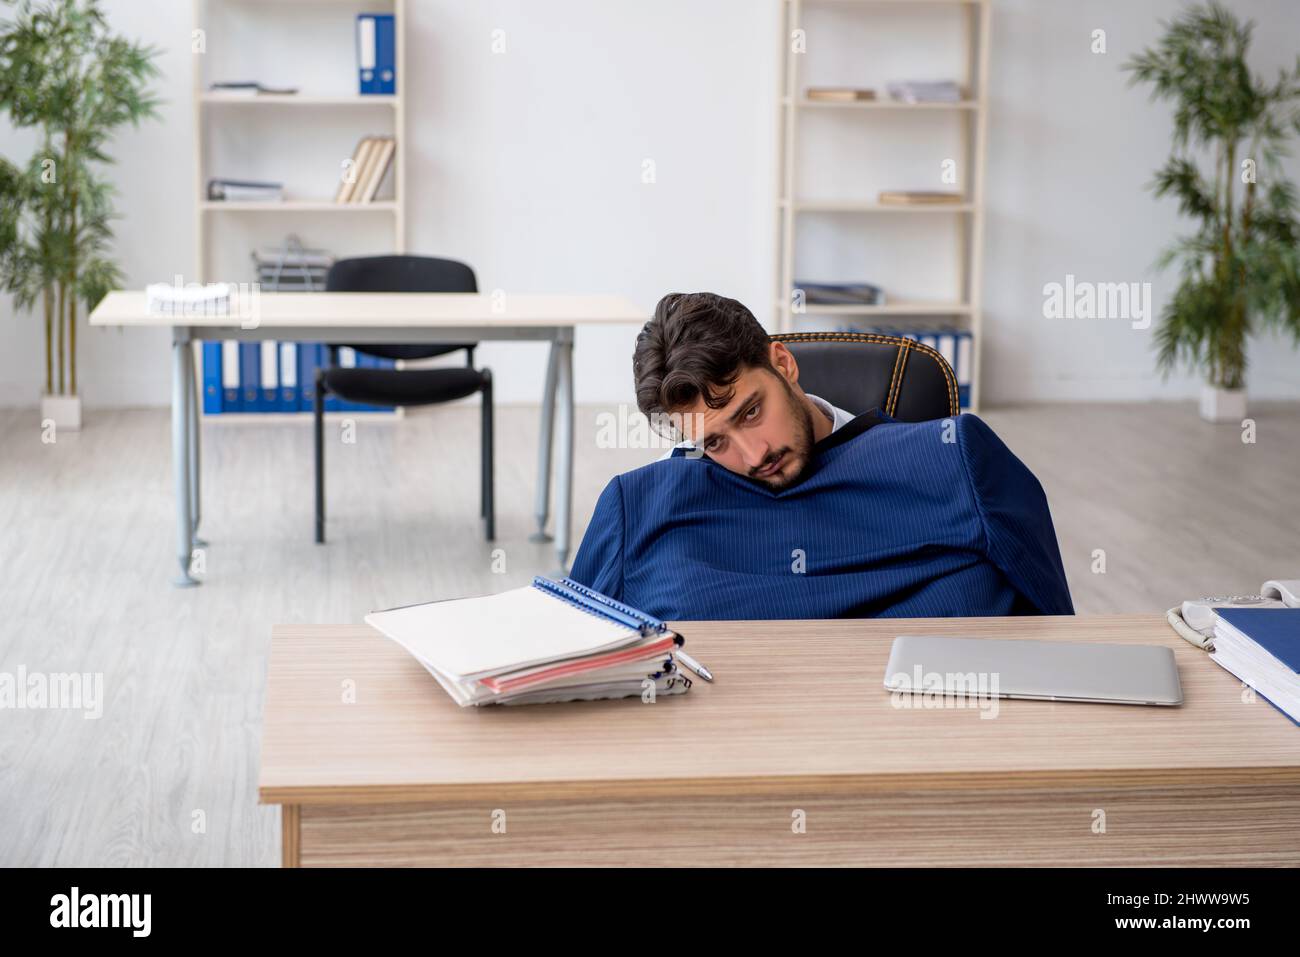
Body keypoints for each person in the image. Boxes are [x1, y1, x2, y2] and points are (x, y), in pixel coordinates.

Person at [568, 292, 1074, 620]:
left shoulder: (957, 465)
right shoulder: (639, 509)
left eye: (749, 413)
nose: (754, 455)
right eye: (714, 441)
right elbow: (565, 667)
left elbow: (1057, 646)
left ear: (783, 364)